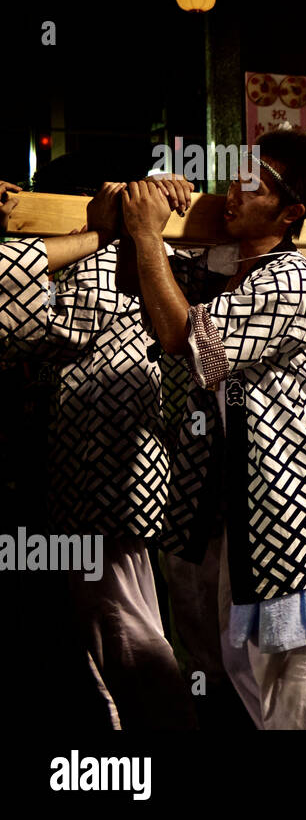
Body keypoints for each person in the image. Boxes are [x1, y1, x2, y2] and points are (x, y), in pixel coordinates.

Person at [118, 130, 306, 728]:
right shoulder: (235, 273)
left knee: (294, 671)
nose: (233, 194)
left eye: (254, 187)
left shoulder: (290, 280)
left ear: (292, 211)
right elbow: (149, 282)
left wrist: (148, 232)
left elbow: (180, 336)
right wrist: (145, 202)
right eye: (236, 178)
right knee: (251, 661)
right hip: (254, 504)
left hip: (290, 508)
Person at [2, 180, 194, 729]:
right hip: (115, 471)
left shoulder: (98, 257)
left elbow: (28, 322)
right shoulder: (137, 247)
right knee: (118, 618)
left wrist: (98, 231)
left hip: (103, 473)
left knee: (120, 623)